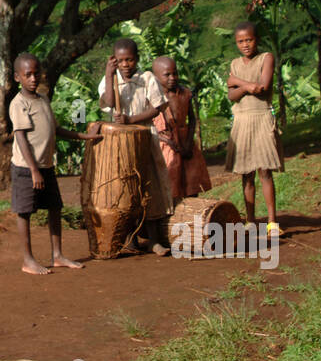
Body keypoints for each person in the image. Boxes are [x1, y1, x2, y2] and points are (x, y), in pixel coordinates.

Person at [11, 52, 99, 275]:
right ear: (17, 78)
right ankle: (28, 260)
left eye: (36, 73)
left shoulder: (42, 100)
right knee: (24, 212)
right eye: (27, 74)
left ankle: (57, 255)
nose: (33, 78)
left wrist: (83, 137)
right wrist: (33, 170)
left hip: (46, 166)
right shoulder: (18, 103)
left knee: (55, 207)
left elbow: (55, 129)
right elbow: (20, 138)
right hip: (26, 168)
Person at [95, 38, 175, 254]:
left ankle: (154, 240)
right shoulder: (110, 80)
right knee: (126, 188)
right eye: (120, 61)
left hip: (144, 137)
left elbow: (156, 108)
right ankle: (130, 239)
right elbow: (110, 103)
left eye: (129, 60)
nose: (125, 65)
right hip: (121, 142)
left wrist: (132, 120)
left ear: (137, 59)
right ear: (115, 61)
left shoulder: (147, 78)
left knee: (148, 186)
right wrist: (110, 75)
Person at [225, 21, 283, 235]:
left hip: (261, 117)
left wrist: (238, 82)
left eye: (249, 40)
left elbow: (263, 87)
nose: (245, 45)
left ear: (256, 39)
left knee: (265, 171)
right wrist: (248, 85)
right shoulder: (235, 63)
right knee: (246, 173)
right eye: (240, 41)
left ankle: (272, 222)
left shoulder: (266, 58)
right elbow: (232, 96)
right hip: (242, 119)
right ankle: (250, 220)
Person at [149, 56, 212, 202]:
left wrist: (189, 142)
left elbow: (192, 119)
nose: (172, 77)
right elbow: (150, 125)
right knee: (170, 181)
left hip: (186, 143)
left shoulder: (185, 93)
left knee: (191, 180)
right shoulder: (152, 96)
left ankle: (191, 213)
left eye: (175, 73)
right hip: (165, 144)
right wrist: (167, 141)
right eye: (167, 75)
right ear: (156, 77)